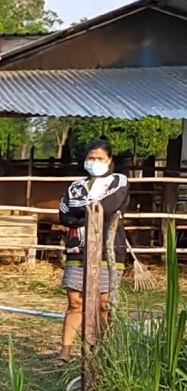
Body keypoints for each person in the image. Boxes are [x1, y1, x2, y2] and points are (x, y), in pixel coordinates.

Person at [57, 139, 129, 363]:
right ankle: (65, 352)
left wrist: (82, 210)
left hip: (109, 250)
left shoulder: (118, 181)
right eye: (91, 158)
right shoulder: (75, 186)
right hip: (78, 249)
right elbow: (64, 216)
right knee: (75, 302)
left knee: (104, 304)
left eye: (100, 158)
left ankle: (102, 351)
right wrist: (87, 210)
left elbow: (108, 208)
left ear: (109, 161)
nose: (95, 162)